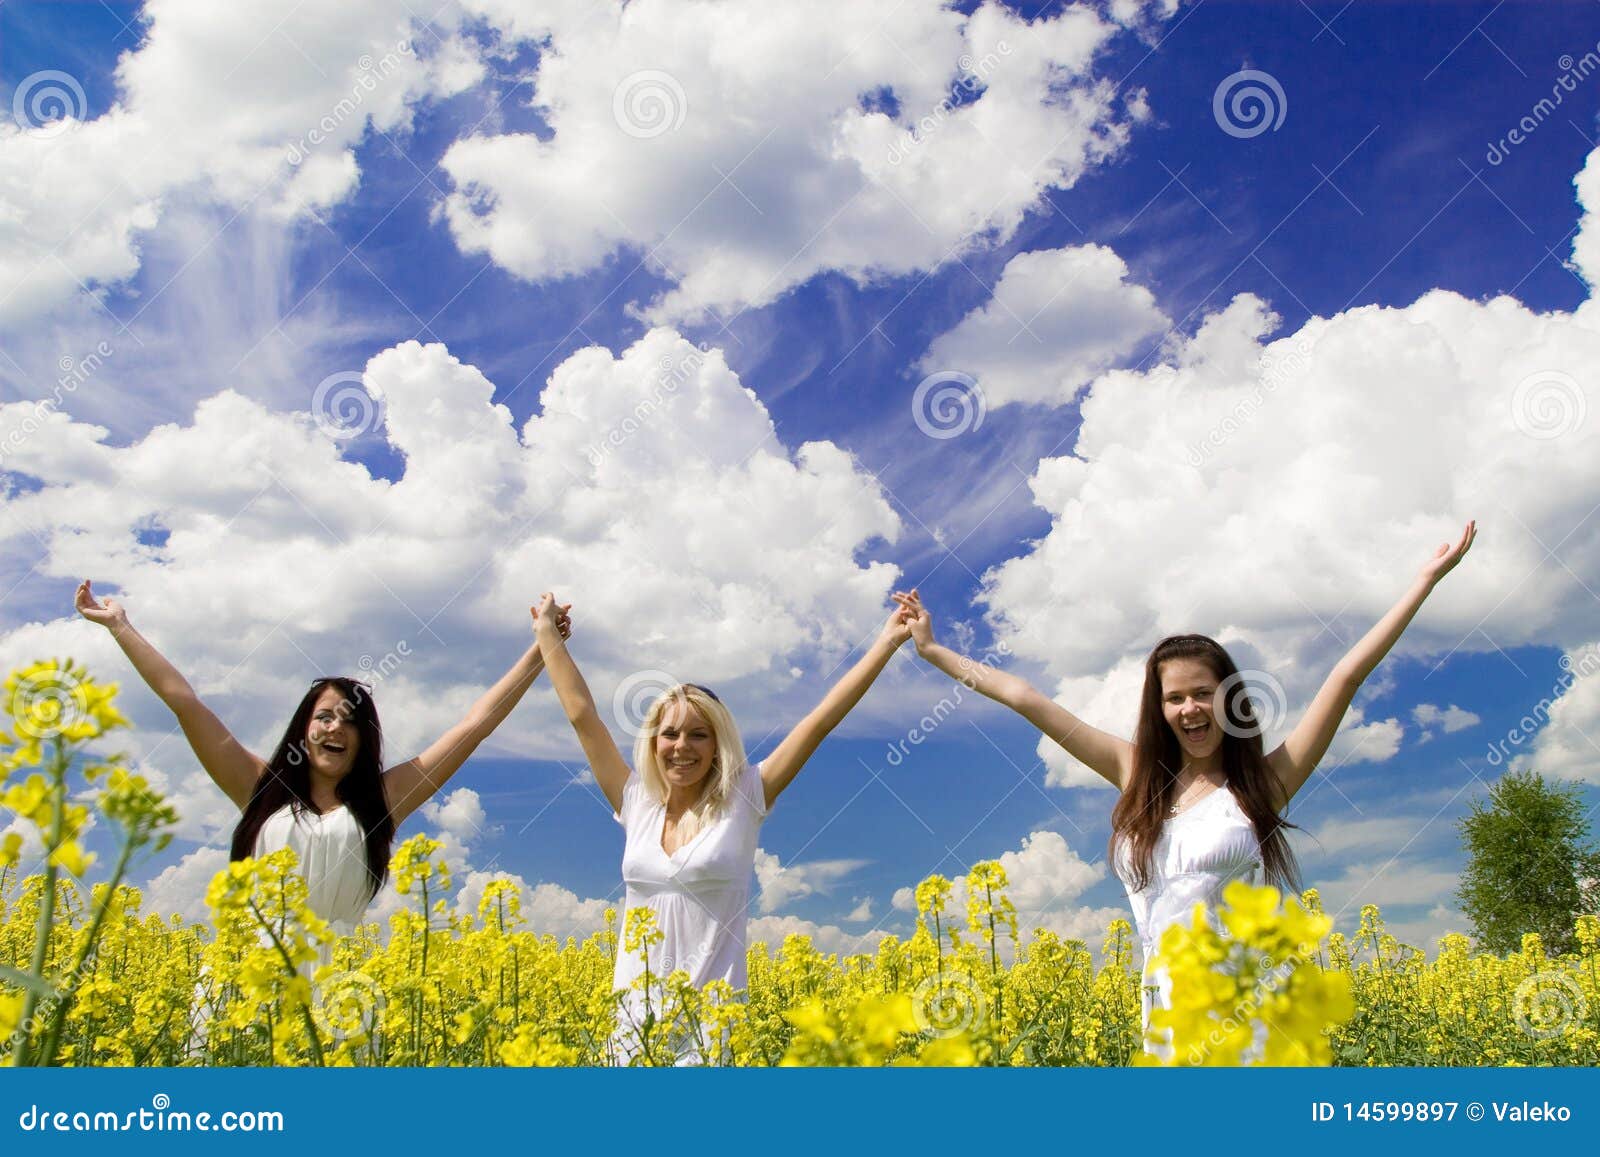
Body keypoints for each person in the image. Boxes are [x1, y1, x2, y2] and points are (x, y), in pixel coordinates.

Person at [893, 520, 1476, 1059]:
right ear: (1160, 707)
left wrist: (1423, 583)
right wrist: (933, 650)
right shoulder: (1134, 772)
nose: (1190, 708)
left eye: (1204, 693)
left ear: (1231, 702)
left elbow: (1345, 675)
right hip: (1165, 1023)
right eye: (1175, 697)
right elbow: (1026, 698)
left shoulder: (1264, 784)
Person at [530, 590, 913, 1065]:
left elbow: (820, 721)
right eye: (670, 734)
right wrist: (547, 631)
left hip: (708, 1032)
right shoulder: (635, 802)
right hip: (631, 1031)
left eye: (698, 734)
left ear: (717, 744)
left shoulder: (747, 796)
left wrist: (887, 642)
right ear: (653, 743)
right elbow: (582, 715)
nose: (681, 747)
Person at [74, 578, 569, 936]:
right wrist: (120, 626)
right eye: (325, 717)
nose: (336, 729)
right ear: (303, 729)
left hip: (338, 1000)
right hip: (244, 986)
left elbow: (473, 727)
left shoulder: (382, 802)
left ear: (366, 738)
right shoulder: (257, 788)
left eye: (351, 721)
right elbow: (184, 702)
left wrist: (541, 646)